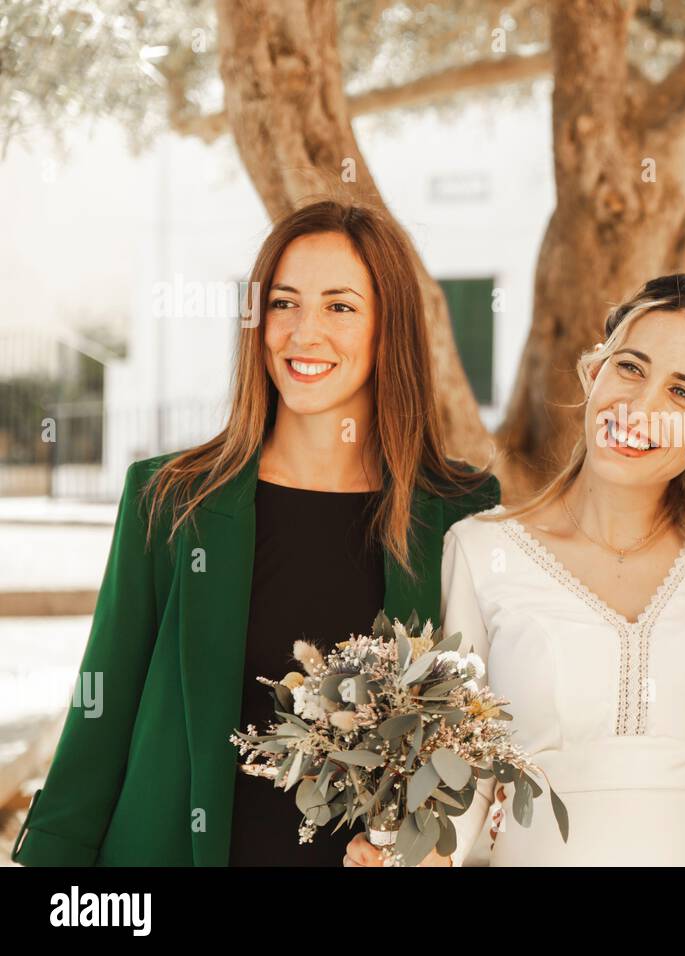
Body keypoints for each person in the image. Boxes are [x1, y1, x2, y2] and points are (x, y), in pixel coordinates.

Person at [10, 200, 497, 866]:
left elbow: (479, 740)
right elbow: (99, 721)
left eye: (340, 307)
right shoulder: (172, 500)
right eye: (284, 303)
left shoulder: (461, 513)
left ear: (391, 327)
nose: (303, 333)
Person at [345, 273, 685, 866]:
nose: (641, 407)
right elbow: (467, 766)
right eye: (630, 368)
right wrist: (411, 856)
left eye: (683, 394)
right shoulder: (482, 550)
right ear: (594, 373)